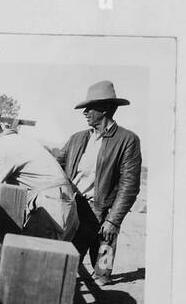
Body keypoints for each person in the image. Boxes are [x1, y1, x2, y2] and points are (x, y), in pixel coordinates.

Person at [55, 80, 142, 276]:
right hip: (74, 208)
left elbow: (129, 185)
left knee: (103, 270)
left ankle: (104, 288)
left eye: (89, 107)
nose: (84, 112)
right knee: (67, 265)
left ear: (104, 108)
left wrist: (113, 220)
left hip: (103, 212)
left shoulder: (128, 140)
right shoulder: (77, 138)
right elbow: (56, 167)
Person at [0, 119, 77, 238]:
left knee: (34, 254)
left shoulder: (0, 146)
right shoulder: (18, 140)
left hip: (52, 207)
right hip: (62, 202)